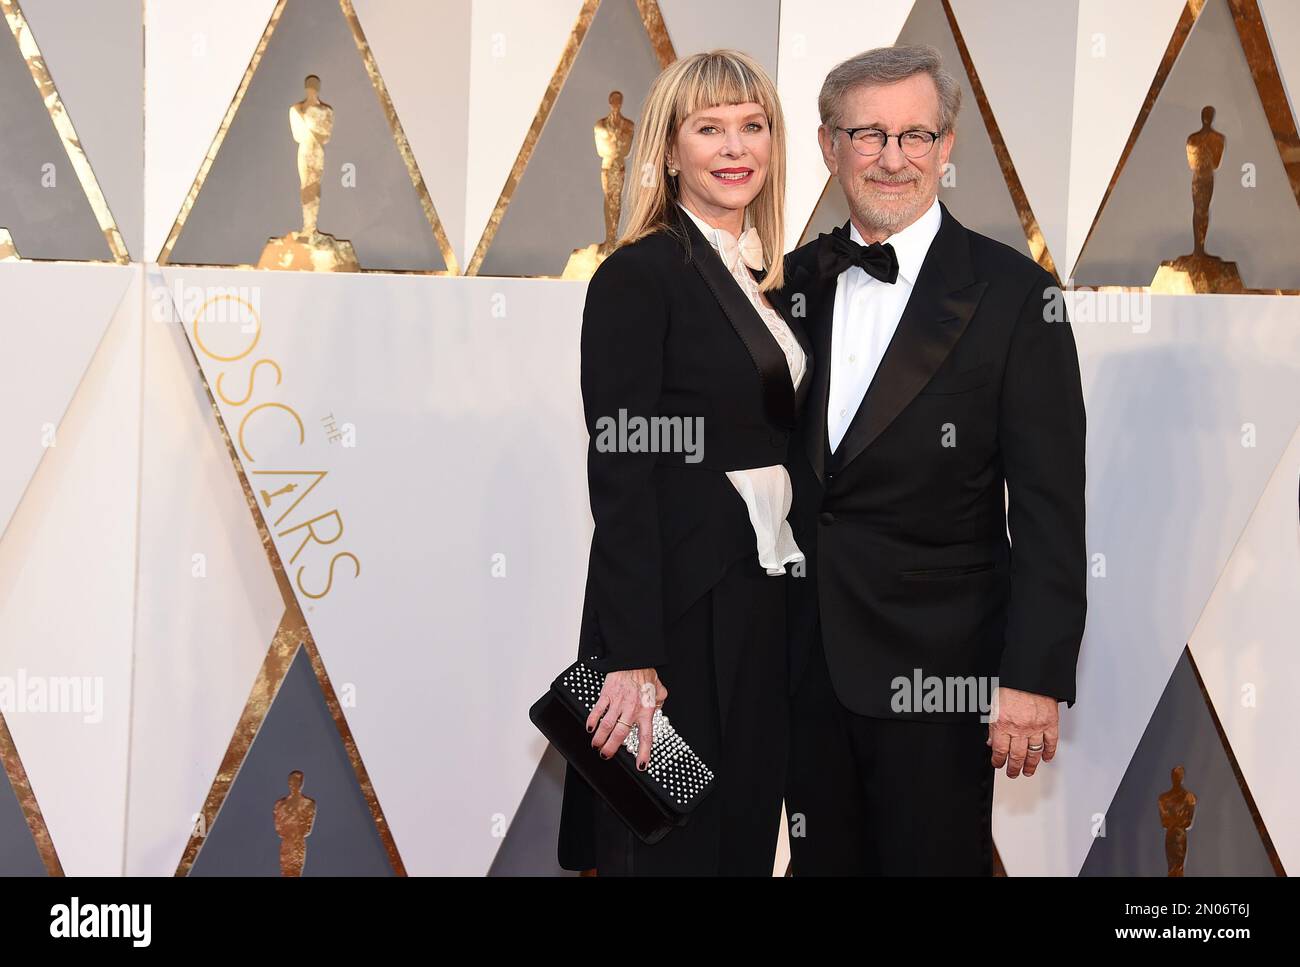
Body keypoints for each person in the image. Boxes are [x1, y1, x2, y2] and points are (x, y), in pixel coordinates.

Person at [779, 44, 1087, 875]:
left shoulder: (1019, 297)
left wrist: (1034, 676)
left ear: (947, 147)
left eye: (917, 135)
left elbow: (1053, 508)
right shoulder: (785, 286)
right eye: (869, 133)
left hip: (941, 678)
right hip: (800, 666)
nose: (893, 158)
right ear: (827, 144)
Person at [556, 49, 810, 875]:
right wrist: (631, 655)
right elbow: (621, 475)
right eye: (710, 128)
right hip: (674, 617)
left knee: (739, 841)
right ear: (668, 150)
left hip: (761, 602)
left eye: (752, 126)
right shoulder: (640, 274)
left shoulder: (765, 279)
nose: (735, 147)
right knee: (667, 843)